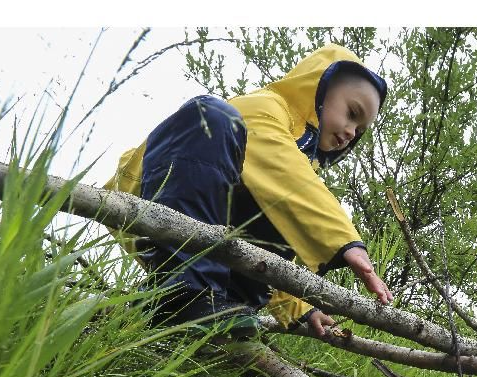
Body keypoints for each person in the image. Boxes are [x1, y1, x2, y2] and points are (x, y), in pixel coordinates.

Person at [105, 44, 393, 337]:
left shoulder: (300, 164)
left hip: (216, 227)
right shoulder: (265, 108)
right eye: (351, 113)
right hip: (154, 200)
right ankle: (183, 293)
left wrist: (301, 309)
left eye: (359, 130)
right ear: (320, 86)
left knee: (286, 207)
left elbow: (282, 227)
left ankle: (225, 308)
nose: (350, 132)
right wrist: (347, 242)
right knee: (213, 115)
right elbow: (283, 169)